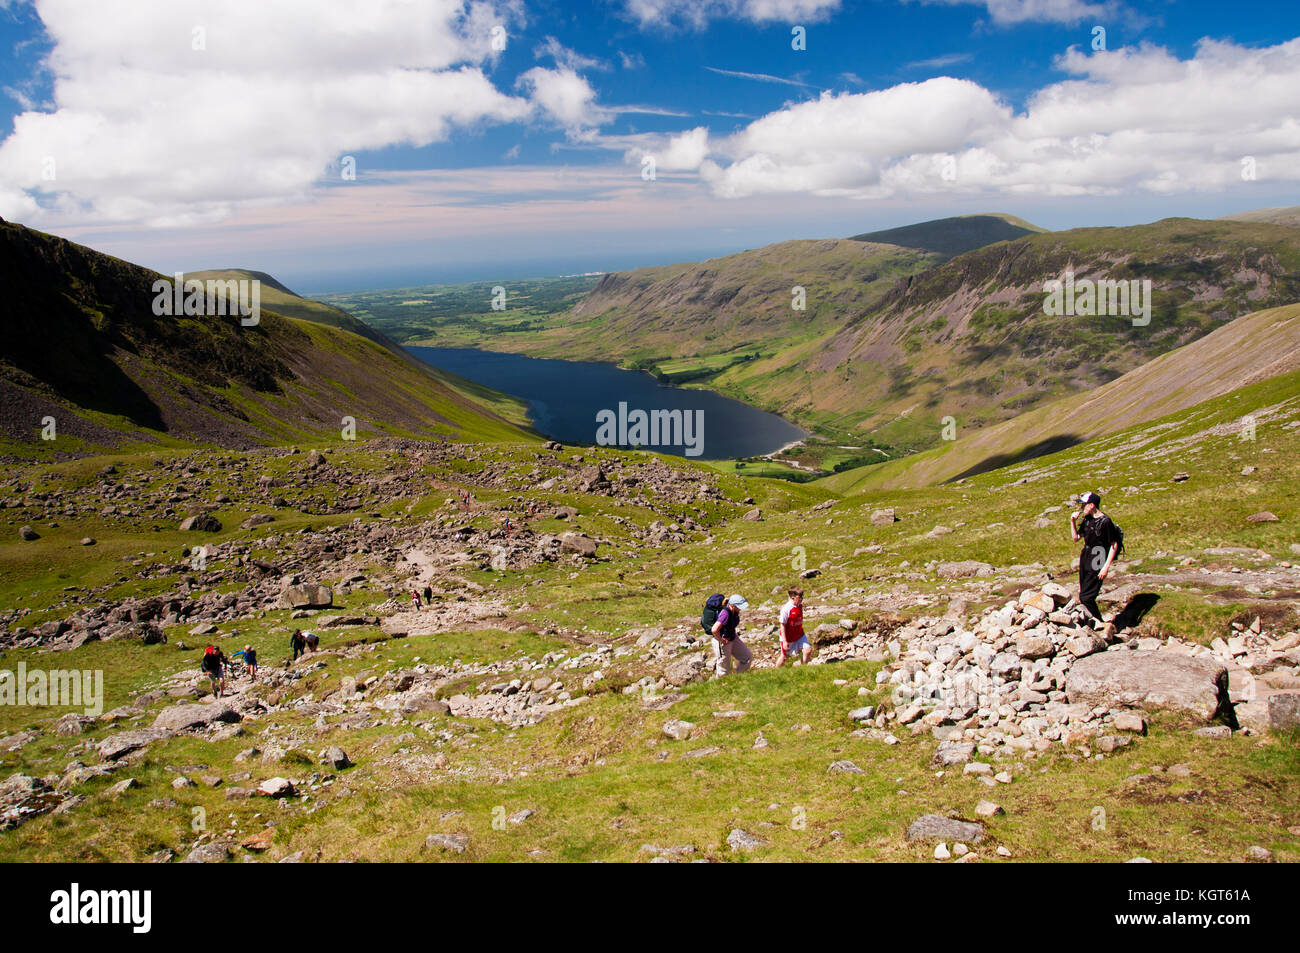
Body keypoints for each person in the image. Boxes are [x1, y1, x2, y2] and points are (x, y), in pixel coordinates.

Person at [1070, 491, 1120, 634]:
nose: (1082, 508)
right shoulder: (1087, 519)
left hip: (1098, 557)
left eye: (1084, 505)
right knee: (1084, 592)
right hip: (1086, 556)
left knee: (1086, 596)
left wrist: (1105, 567)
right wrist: (1072, 522)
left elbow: (1114, 544)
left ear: (1092, 505)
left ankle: (1100, 624)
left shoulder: (1105, 521)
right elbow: (1076, 538)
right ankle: (1097, 623)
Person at [711, 594, 752, 676]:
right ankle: (722, 685)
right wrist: (721, 640)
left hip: (732, 638)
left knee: (747, 657)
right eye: (739, 606)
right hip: (723, 641)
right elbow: (714, 629)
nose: (740, 609)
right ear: (733, 606)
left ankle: (737, 678)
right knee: (724, 670)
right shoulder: (725, 613)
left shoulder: (734, 612)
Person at [777, 586, 812, 667]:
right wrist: (785, 641)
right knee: (784, 657)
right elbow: (782, 625)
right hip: (788, 637)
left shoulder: (800, 605)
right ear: (793, 597)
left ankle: (803, 668)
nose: (801, 599)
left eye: (802, 596)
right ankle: (775, 670)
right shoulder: (786, 609)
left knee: (807, 651)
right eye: (799, 597)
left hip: (799, 634)